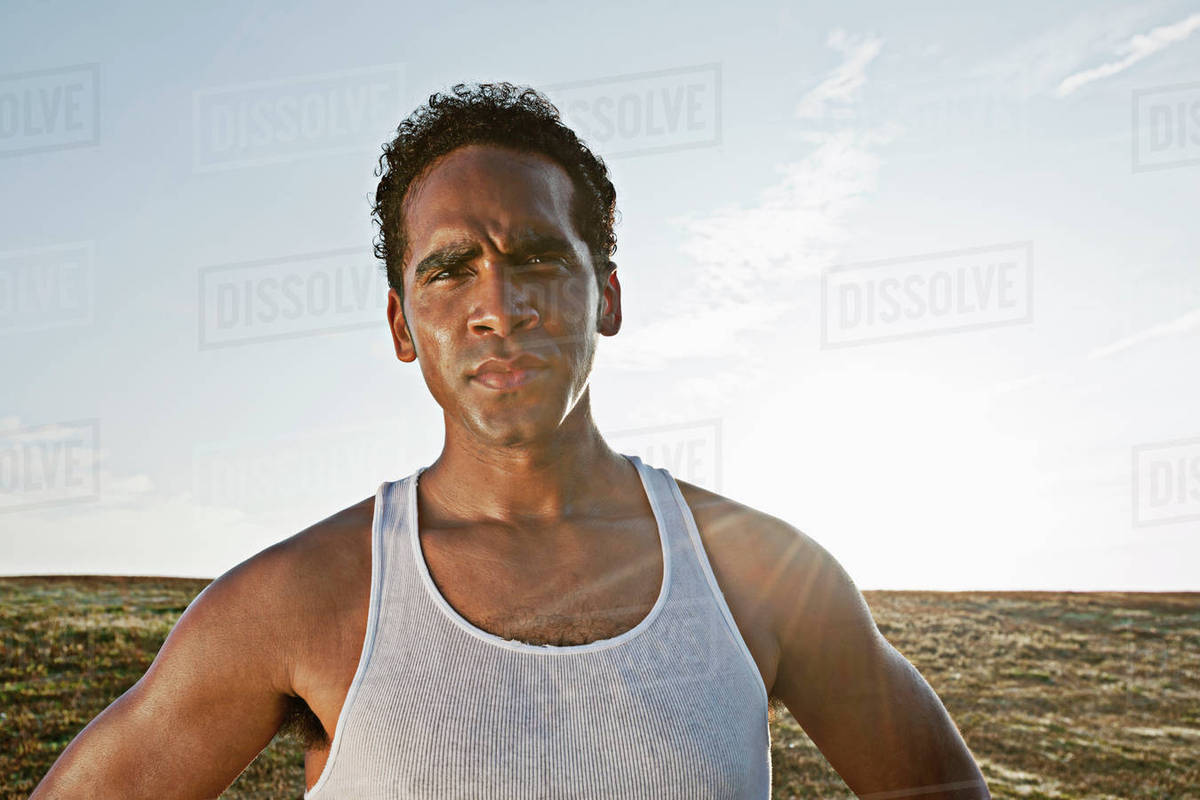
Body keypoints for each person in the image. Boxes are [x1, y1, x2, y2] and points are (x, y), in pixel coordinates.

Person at [31, 82, 990, 800]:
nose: (500, 304)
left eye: (537, 257)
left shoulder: (768, 573)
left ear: (605, 295)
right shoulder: (299, 599)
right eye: (450, 270)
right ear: (404, 327)